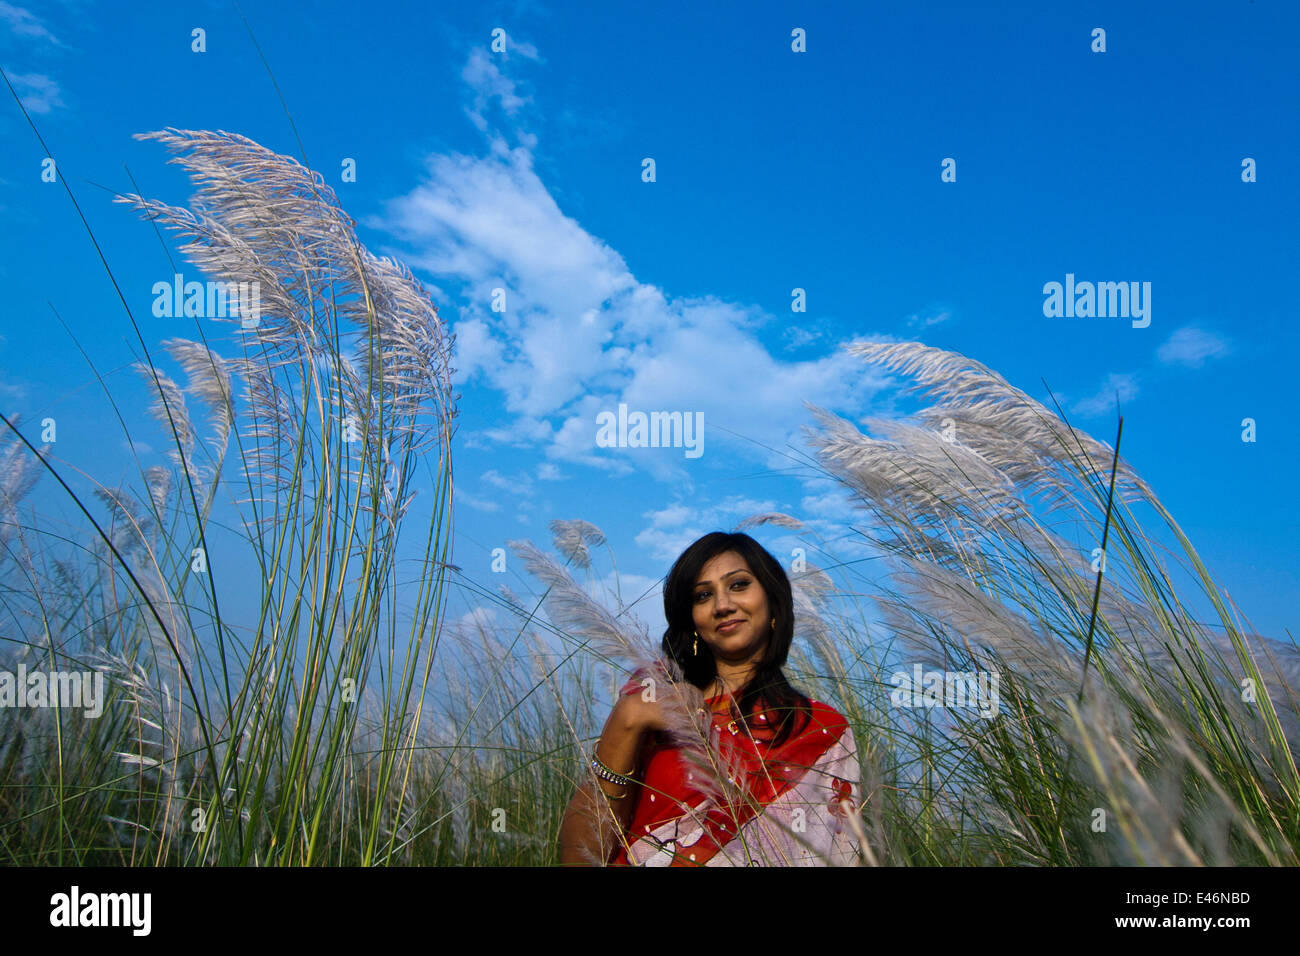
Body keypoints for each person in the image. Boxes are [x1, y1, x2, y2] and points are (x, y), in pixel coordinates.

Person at [557, 531, 862, 866]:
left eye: (739, 584)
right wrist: (627, 720)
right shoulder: (653, 695)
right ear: (693, 620)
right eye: (703, 595)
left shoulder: (820, 730)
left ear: (773, 601)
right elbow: (581, 856)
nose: (722, 605)